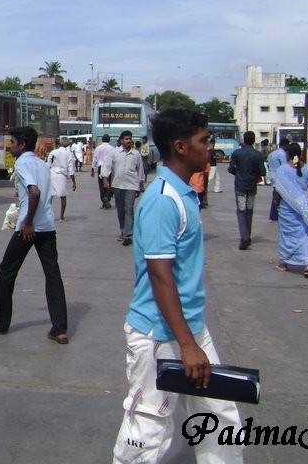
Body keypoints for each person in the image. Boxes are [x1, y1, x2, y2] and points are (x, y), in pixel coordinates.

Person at [112, 109, 243, 463]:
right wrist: (186, 345)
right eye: (205, 140)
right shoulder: (161, 199)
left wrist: (192, 338)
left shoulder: (185, 194)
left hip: (189, 329)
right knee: (149, 429)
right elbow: (160, 275)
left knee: (220, 419)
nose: (211, 147)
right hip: (161, 337)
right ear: (181, 147)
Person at [0, 126, 69, 344]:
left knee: (6, 273)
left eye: (13, 142)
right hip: (47, 226)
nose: (10, 147)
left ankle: (1, 319)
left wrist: (27, 222)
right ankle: (60, 328)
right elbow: (43, 194)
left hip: (29, 228)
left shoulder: (23, 162)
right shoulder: (42, 164)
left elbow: (34, 191)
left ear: (22, 145)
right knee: (53, 275)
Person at [273, 143, 308, 279]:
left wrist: (276, 204)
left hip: (287, 208)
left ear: (287, 154)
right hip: (303, 206)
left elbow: (278, 190)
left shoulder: (282, 170)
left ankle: (284, 264)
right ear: (300, 154)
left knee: (286, 235)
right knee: (304, 235)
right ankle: (307, 265)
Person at [101, 131, 145, 246]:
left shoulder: (136, 154)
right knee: (120, 209)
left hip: (131, 185)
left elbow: (140, 170)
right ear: (121, 141)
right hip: (117, 185)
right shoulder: (114, 152)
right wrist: (105, 179)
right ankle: (123, 231)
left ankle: (128, 234)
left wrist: (141, 184)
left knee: (129, 209)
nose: (129, 141)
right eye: (126, 139)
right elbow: (106, 165)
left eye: (130, 139)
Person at [227, 131, 266, 250]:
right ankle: (247, 236)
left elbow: (230, 169)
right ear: (254, 141)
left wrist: (238, 173)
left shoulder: (237, 153)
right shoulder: (258, 155)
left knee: (241, 211)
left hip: (240, 186)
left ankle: (244, 236)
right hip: (252, 187)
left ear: (244, 140)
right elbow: (263, 172)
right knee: (249, 211)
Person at [47, 137, 76, 221]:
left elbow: (48, 164)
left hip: (52, 174)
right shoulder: (68, 154)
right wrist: (74, 182)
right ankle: (61, 216)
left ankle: (48, 215)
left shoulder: (53, 152)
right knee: (63, 196)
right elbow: (71, 169)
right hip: (62, 176)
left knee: (50, 196)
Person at [265, 137, 290, 221]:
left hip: (272, 176)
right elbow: (284, 167)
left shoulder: (272, 153)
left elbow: (268, 164)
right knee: (279, 196)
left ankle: (274, 215)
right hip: (279, 177)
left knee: (276, 194)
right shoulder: (282, 154)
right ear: (285, 145)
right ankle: (275, 215)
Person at [92, 134, 115, 209]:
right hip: (109, 168)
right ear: (109, 140)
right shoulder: (112, 148)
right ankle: (107, 197)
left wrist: (92, 168)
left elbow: (95, 158)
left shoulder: (98, 148)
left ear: (102, 140)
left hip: (100, 167)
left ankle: (103, 201)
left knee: (101, 185)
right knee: (109, 184)